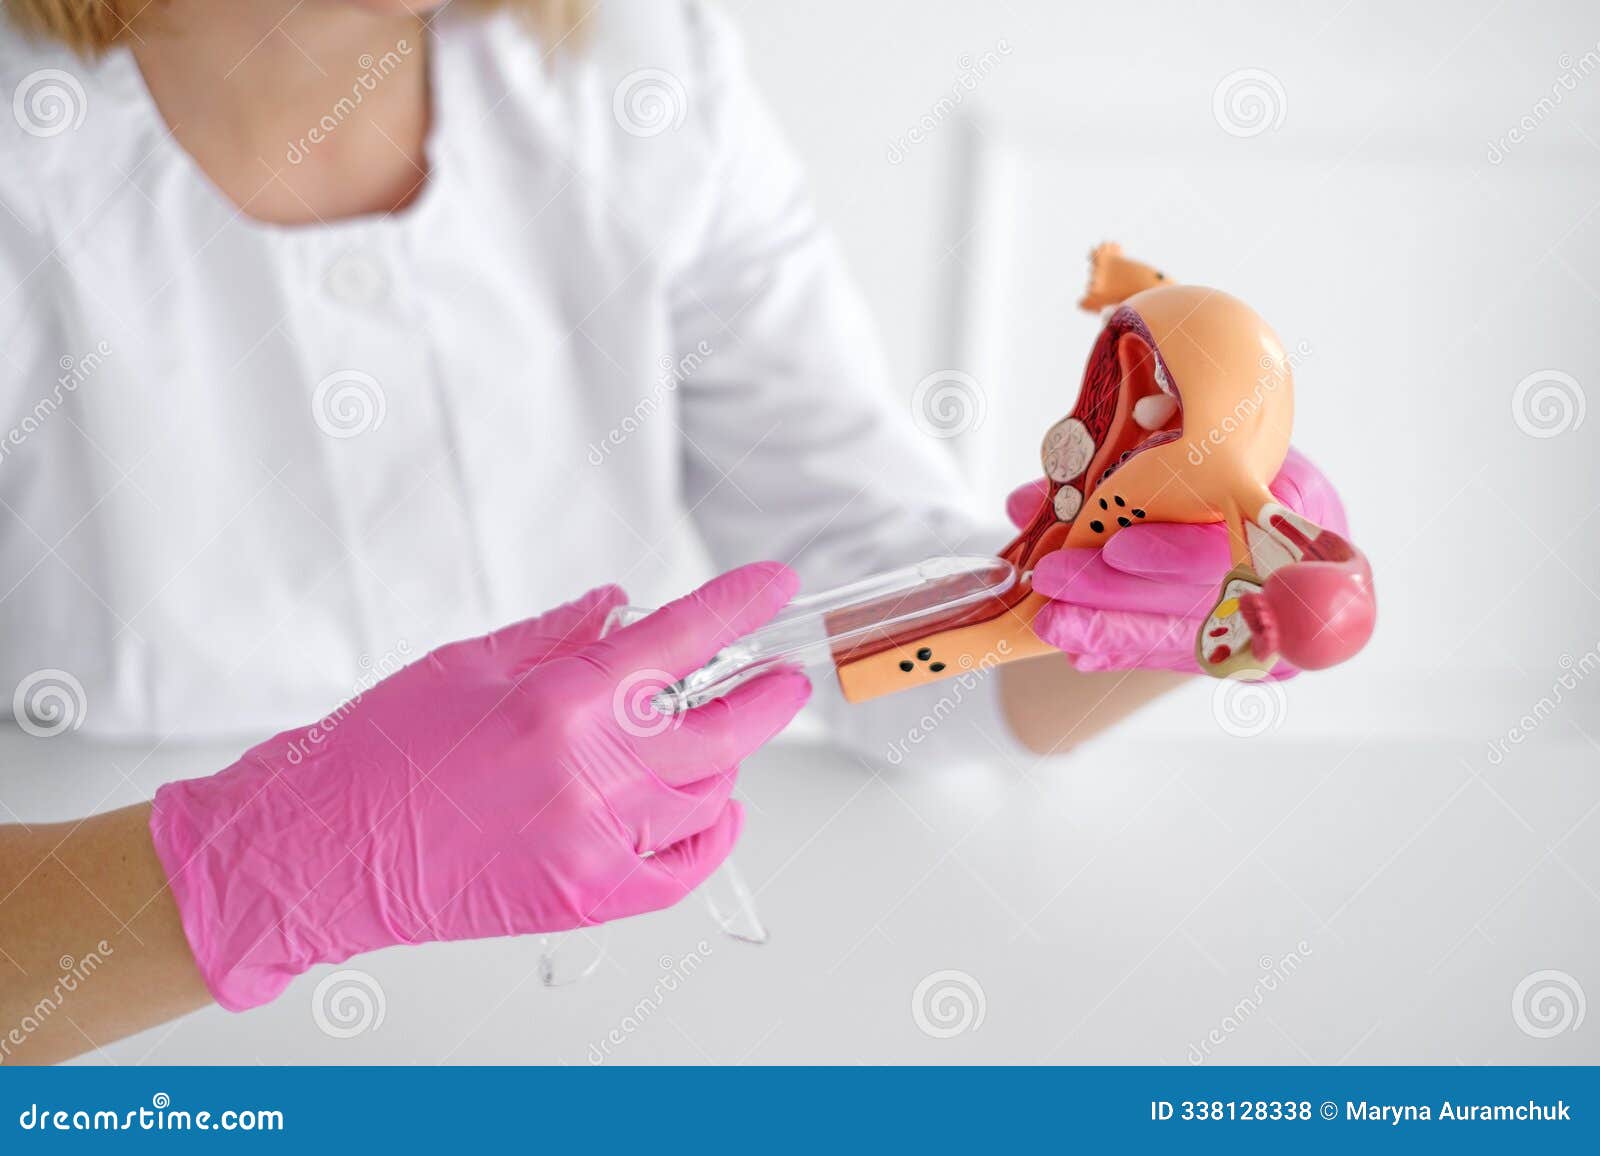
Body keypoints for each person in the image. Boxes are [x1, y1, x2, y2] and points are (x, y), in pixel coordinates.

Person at [0, 0, 1345, 1062]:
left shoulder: (639, 75)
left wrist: (1140, 611)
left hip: (581, 1020)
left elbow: (893, 654)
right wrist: (271, 868)